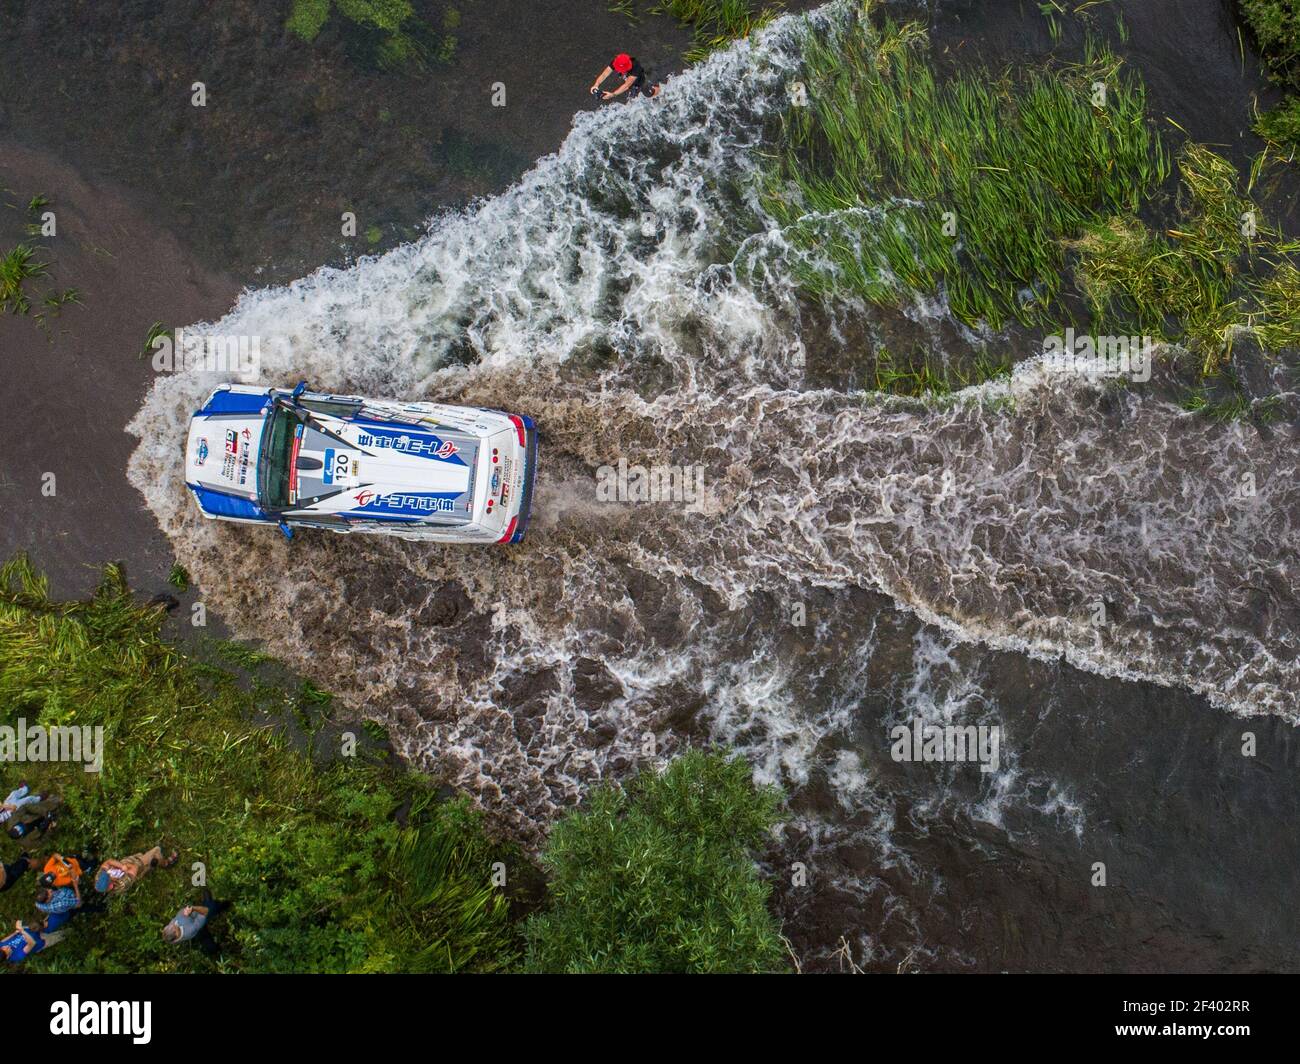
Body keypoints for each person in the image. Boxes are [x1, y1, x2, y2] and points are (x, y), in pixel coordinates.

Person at [162, 891, 231, 956]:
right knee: (212, 908)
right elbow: (205, 912)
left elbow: (177, 917)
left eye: (170, 924)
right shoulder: (190, 930)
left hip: (193, 919)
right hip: (198, 924)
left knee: (207, 941)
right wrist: (192, 908)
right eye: (174, 926)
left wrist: (185, 911)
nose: (174, 923)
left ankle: (208, 901)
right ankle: (227, 903)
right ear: (176, 934)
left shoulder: (170, 934)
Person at [93, 845, 178, 895]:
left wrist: (122, 866)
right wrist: (126, 866)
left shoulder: (99, 878)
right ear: (110, 886)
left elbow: (109, 861)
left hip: (129, 861)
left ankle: (153, 864)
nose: (108, 873)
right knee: (156, 850)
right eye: (108, 876)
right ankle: (167, 863)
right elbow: (135, 868)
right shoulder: (122, 884)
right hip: (138, 866)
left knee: (146, 859)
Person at [590, 53, 660, 101]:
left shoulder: (636, 67)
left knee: (649, 93)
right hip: (631, 81)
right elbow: (605, 74)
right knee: (633, 100)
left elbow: (627, 85)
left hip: (641, 81)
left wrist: (613, 94)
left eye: (622, 70)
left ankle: (660, 93)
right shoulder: (617, 61)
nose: (618, 70)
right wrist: (596, 84)